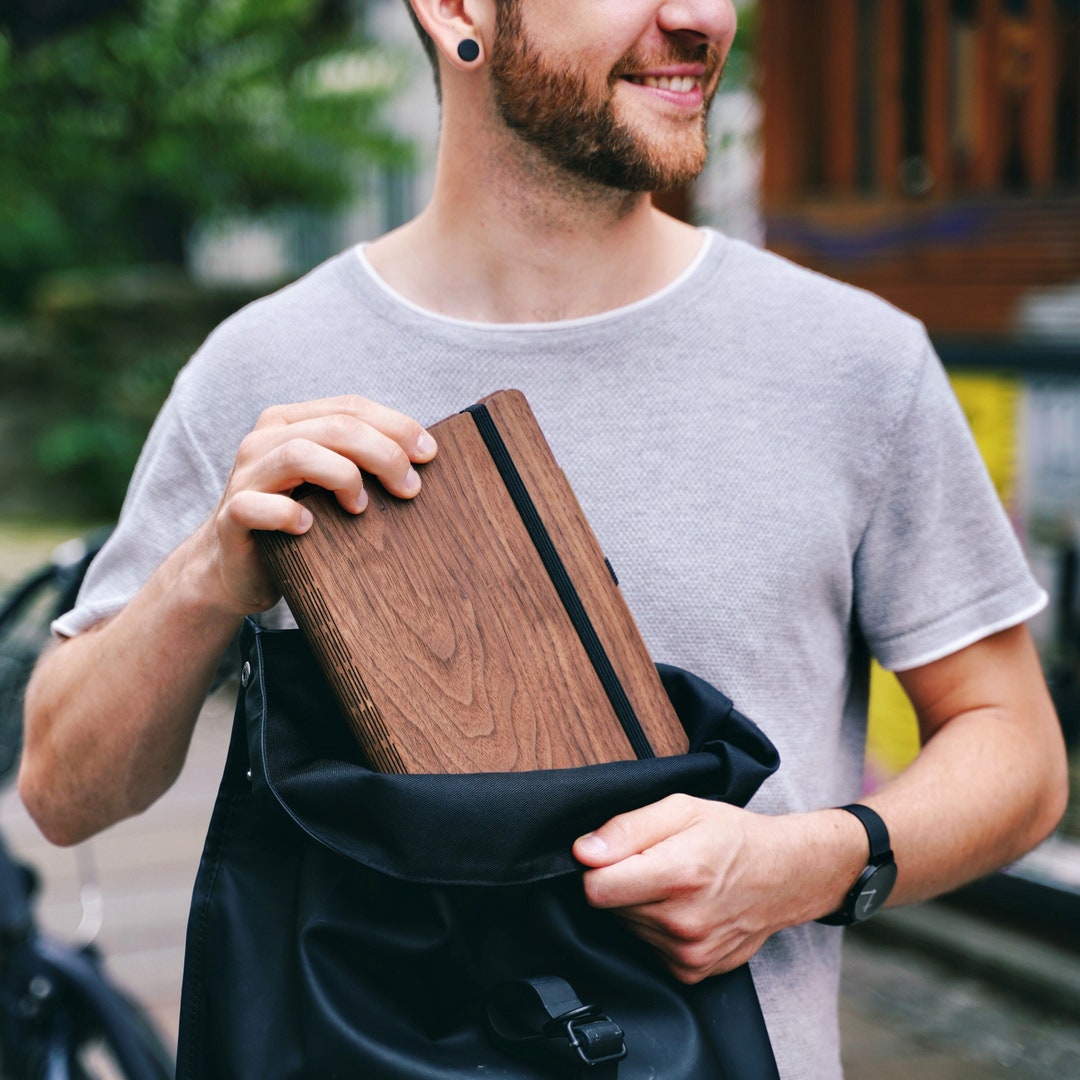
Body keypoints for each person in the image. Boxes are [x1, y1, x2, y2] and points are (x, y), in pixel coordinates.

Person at [19, 0, 1069, 1075]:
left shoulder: (855, 361)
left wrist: (803, 864)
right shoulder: (261, 364)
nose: (703, 17)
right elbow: (64, 791)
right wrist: (205, 576)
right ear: (458, 12)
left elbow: (1017, 752)